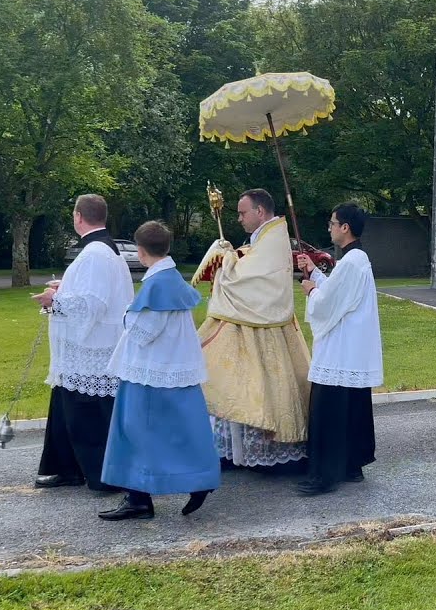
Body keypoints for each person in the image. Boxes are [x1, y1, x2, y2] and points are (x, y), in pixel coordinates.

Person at [98, 221, 221, 520]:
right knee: (182, 431)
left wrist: (126, 313)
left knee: (135, 432)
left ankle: (139, 499)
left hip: (148, 372)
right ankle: (193, 481)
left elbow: (142, 333)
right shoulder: (171, 278)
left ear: (140, 252)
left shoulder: (158, 284)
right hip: (173, 369)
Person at [194, 189, 311, 470]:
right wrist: (235, 253)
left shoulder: (275, 236)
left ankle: (266, 454)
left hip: (264, 329)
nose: (239, 218)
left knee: (260, 390)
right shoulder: (265, 236)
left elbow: (248, 279)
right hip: (249, 326)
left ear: (260, 212)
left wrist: (227, 260)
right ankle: (236, 452)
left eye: (243, 212)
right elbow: (252, 262)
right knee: (239, 386)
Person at [31, 194, 135, 490]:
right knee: (66, 406)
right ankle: (66, 468)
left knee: (87, 415)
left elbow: (92, 304)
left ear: (78, 216)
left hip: (92, 347)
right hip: (86, 348)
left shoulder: (95, 254)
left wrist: (55, 298)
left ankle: (104, 476)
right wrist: (65, 287)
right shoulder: (103, 250)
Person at [295, 203, 382, 496]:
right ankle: (350, 465)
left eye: (333, 223)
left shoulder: (351, 262)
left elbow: (328, 304)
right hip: (352, 351)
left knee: (329, 412)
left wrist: (311, 290)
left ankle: (324, 476)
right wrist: (314, 274)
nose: (329, 228)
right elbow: (338, 292)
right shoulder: (356, 260)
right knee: (351, 409)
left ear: (345, 227)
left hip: (340, 351)